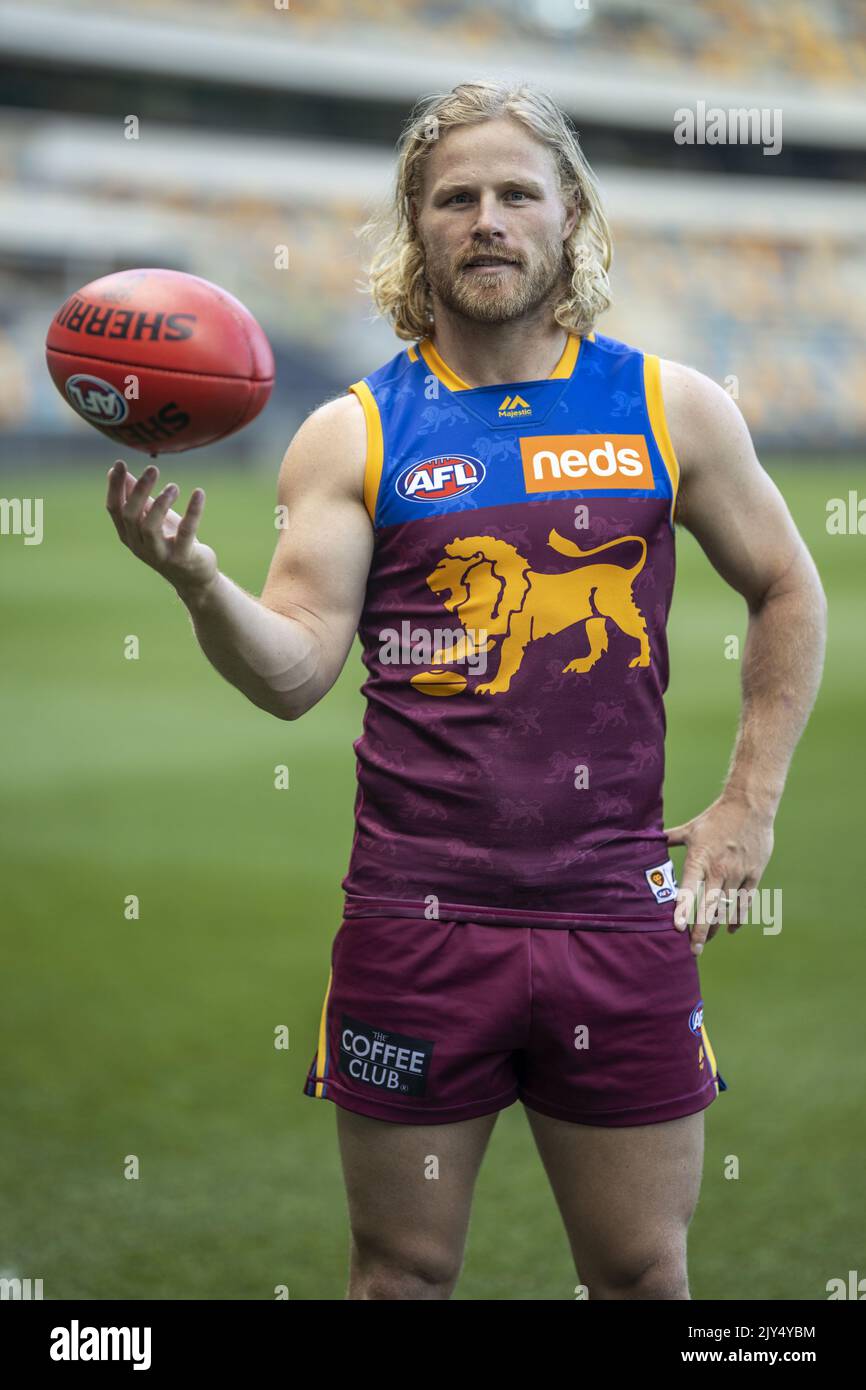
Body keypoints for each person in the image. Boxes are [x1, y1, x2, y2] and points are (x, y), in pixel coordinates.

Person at [105, 80, 826, 1300]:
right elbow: (293, 670)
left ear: (567, 217)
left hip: (615, 909)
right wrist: (198, 586)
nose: (486, 219)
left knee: (643, 1273)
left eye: (513, 193)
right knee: (399, 1275)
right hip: (414, 920)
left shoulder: (666, 407)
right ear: (417, 227)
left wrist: (748, 803)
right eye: (455, 199)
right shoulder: (354, 432)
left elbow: (786, 587)